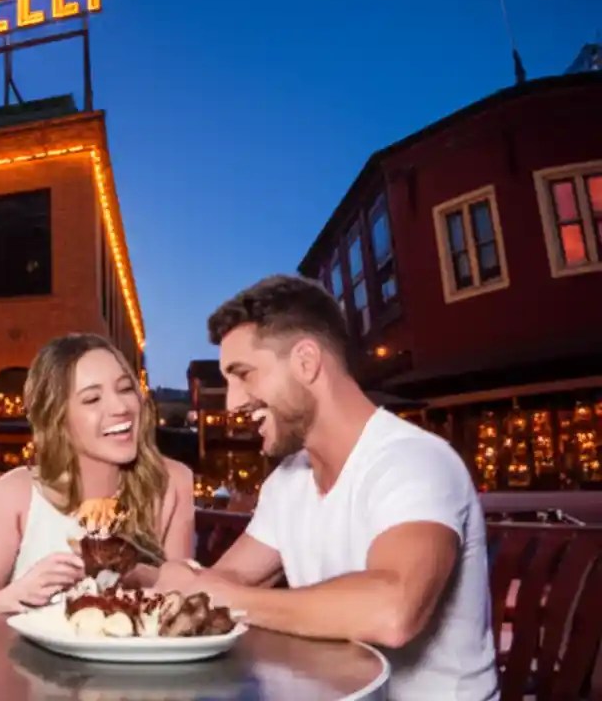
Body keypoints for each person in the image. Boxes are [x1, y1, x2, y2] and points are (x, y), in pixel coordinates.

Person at [158, 275, 496, 699]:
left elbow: (393, 610)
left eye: (244, 375)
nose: (232, 402)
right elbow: (231, 575)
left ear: (306, 361)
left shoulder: (414, 461)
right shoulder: (288, 481)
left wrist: (225, 596)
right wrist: (194, 582)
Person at [0, 333, 195, 622]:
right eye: (92, 399)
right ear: (58, 417)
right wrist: (17, 595)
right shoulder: (15, 494)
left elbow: (184, 603)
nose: (121, 407)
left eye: (126, 389)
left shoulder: (173, 482)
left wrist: (131, 573)